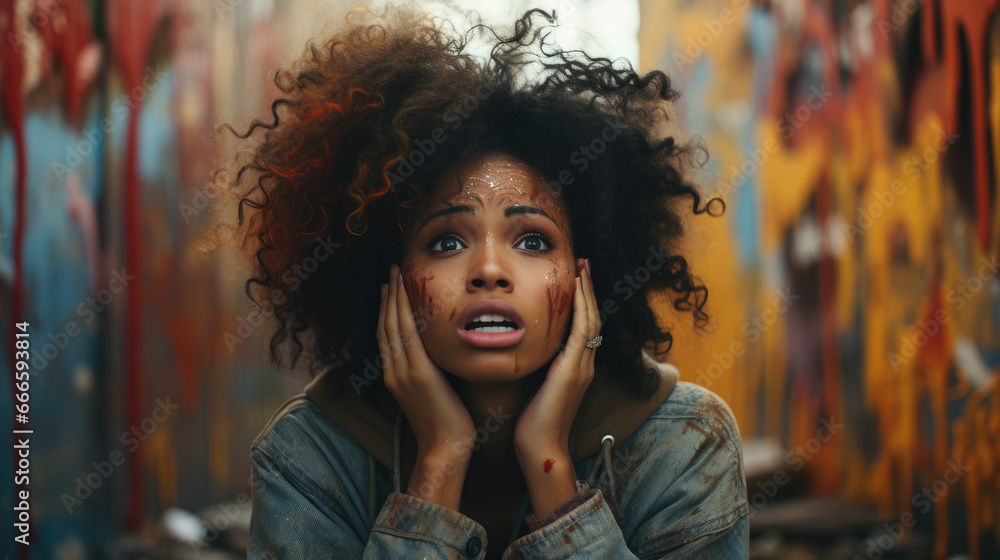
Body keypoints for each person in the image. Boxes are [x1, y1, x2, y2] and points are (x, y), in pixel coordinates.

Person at [228, 6, 748, 558]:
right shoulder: (310, 456)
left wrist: (550, 467)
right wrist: (440, 462)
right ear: (389, 275)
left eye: (532, 240)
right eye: (447, 242)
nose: (490, 270)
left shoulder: (685, 442)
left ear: (585, 274)